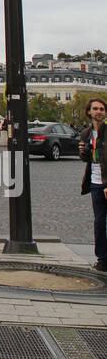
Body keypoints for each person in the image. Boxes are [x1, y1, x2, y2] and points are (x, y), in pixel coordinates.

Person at [79, 97, 107, 270]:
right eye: (95, 108)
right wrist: (83, 152)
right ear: (89, 112)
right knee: (99, 222)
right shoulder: (86, 133)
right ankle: (102, 258)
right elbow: (87, 159)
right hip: (95, 182)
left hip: (105, 182)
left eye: (102, 109)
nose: (98, 111)